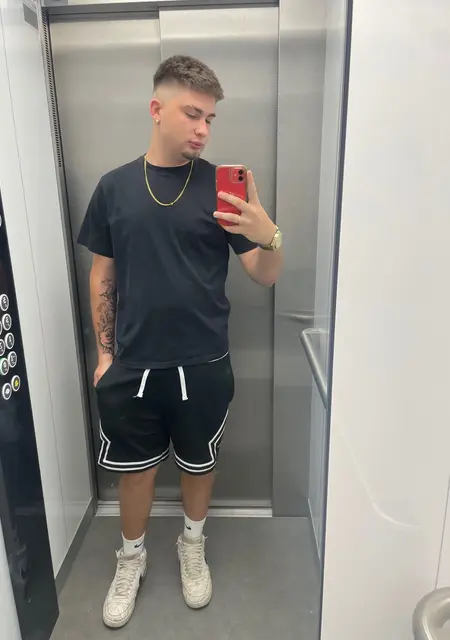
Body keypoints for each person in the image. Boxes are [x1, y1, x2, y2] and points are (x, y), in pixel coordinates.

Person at [77, 54, 283, 628]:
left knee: (198, 463)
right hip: (134, 363)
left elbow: (264, 276)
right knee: (135, 471)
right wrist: (105, 354)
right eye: (193, 114)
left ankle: (192, 544)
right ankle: (131, 558)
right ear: (156, 108)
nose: (202, 129)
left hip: (204, 361)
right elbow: (103, 273)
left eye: (210, 119)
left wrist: (269, 235)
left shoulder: (220, 190)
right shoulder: (114, 188)